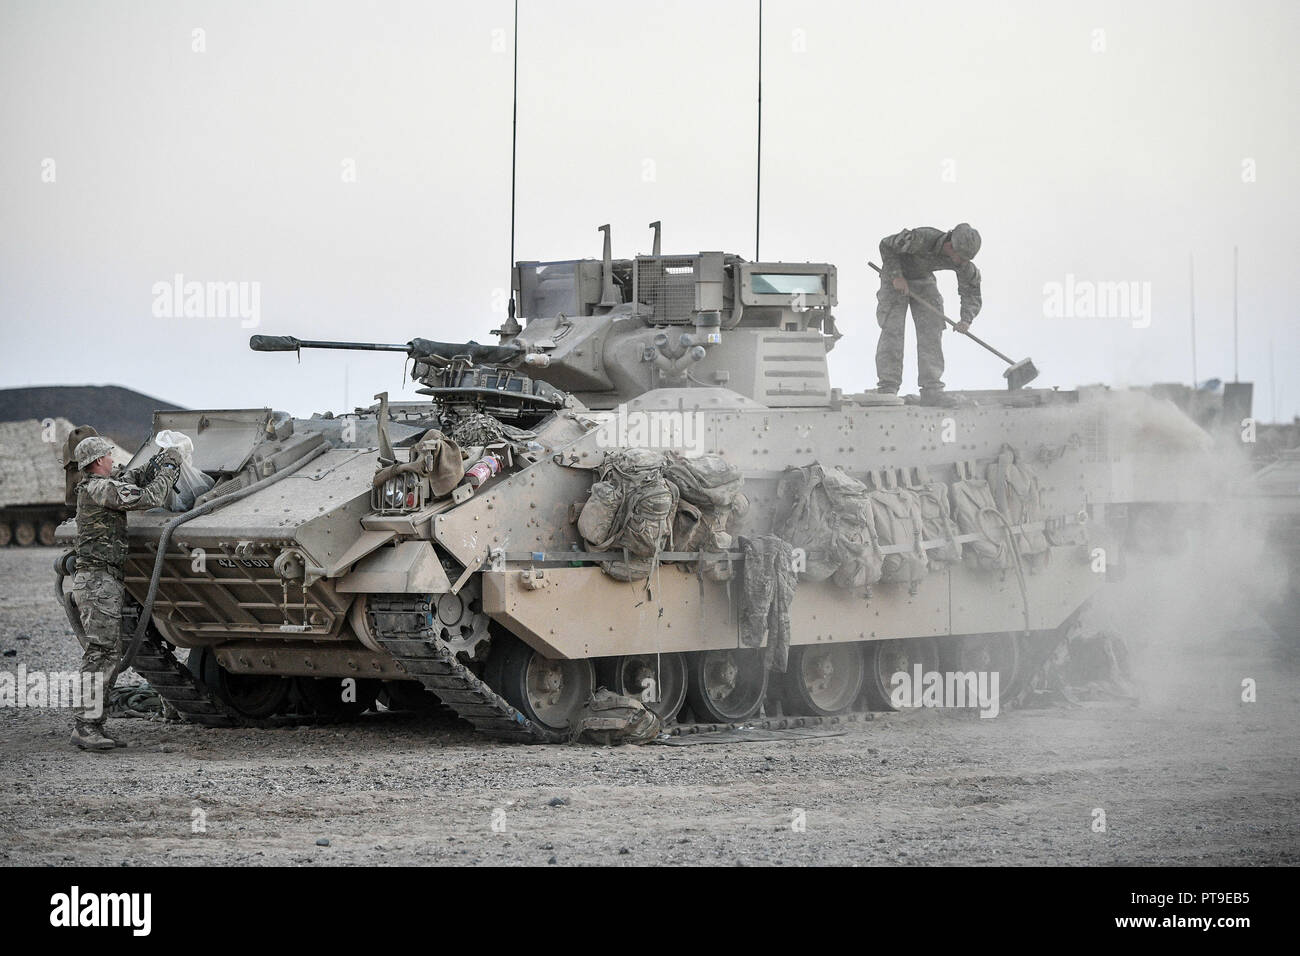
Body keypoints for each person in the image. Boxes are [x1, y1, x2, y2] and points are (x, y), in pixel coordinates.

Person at [68, 436, 181, 751]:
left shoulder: (101, 486)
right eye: (107, 455)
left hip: (102, 580)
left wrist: (153, 464)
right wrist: (170, 467)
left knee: (106, 653)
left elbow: (129, 480)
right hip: (98, 582)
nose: (111, 458)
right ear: (98, 460)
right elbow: (150, 497)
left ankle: (92, 726)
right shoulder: (100, 489)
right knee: (101, 654)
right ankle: (86, 726)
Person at [875, 223, 982, 404]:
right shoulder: (922, 238)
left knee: (932, 329)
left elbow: (971, 290)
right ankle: (888, 388)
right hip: (895, 278)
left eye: (966, 260)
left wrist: (966, 319)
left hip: (923, 279)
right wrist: (896, 276)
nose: (962, 263)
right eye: (961, 258)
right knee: (893, 330)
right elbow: (886, 245)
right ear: (950, 246)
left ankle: (932, 389)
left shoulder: (962, 259)